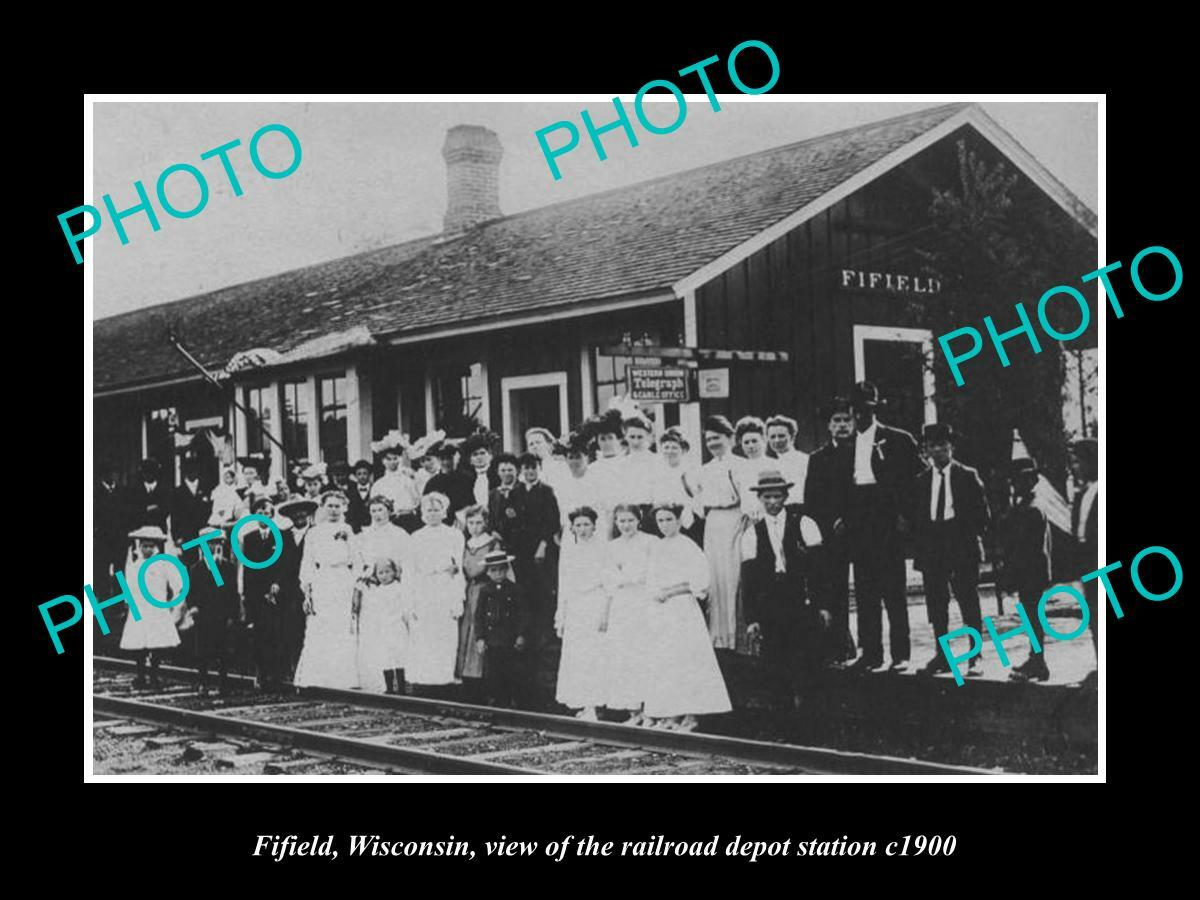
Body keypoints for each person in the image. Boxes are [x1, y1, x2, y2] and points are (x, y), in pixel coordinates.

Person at [845, 381, 924, 673]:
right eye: (856, 411)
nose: (861, 416)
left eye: (867, 410)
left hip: (888, 519)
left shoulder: (898, 439)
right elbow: (842, 487)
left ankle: (900, 654)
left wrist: (906, 515)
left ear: (875, 410)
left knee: (893, 590)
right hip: (859, 520)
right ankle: (871, 653)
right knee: (865, 592)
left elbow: (918, 480)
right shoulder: (847, 444)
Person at [741, 470, 829, 706]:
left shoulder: (804, 524)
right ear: (759, 498)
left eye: (777, 497)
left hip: (800, 598)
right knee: (775, 663)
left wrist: (823, 605)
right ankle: (783, 721)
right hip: (770, 601)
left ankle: (810, 716)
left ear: (786, 496)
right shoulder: (752, 533)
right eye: (767, 497)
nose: (772, 502)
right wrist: (751, 618)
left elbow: (819, 570)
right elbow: (748, 579)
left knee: (806, 659)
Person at [643, 504, 732, 731]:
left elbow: (699, 581)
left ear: (679, 521)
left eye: (669, 519)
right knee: (667, 660)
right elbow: (651, 579)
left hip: (682, 608)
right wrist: (656, 596)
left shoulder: (688, 546)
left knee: (687, 660)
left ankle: (692, 715)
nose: (665, 525)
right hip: (662, 610)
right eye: (661, 521)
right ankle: (671, 712)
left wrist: (671, 592)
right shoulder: (657, 547)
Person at [913, 424, 990, 677]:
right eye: (933, 445)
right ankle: (942, 655)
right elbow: (917, 518)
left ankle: (975, 655)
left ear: (951, 447)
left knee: (968, 600)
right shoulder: (922, 481)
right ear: (926, 450)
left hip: (961, 543)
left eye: (943, 445)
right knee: (937, 603)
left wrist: (964, 534)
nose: (939, 450)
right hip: (933, 547)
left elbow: (982, 515)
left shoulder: (967, 475)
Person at [804, 398, 858, 662]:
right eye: (836, 421)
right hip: (832, 535)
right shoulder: (818, 458)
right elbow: (812, 499)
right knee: (834, 590)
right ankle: (839, 645)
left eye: (846, 420)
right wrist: (831, 521)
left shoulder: (864, 452)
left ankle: (874, 649)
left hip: (863, 532)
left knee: (869, 591)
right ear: (828, 426)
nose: (842, 425)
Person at [694, 415, 752, 653]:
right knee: (714, 578)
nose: (713, 443)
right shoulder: (704, 469)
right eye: (709, 439)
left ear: (730, 438)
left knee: (733, 577)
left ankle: (736, 639)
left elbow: (747, 500)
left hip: (735, 520)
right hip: (713, 523)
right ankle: (717, 639)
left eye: (717, 438)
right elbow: (697, 503)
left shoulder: (741, 465)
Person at [293, 491, 361, 689]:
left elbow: (357, 561)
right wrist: (308, 592)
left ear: (344, 508)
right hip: (322, 581)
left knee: (342, 628)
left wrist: (356, 585)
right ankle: (319, 678)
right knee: (321, 627)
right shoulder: (314, 533)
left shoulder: (348, 530)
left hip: (343, 582)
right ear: (323, 508)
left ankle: (343, 678)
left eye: (337, 506)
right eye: (330, 506)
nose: (333, 510)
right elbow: (307, 564)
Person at [996, 458, 1053, 682]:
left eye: (1018, 481)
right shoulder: (1027, 505)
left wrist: (1010, 577)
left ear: (1029, 481)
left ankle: (1038, 661)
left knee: (1033, 617)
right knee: (1032, 616)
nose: (1014, 485)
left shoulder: (1030, 508)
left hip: (1031, 573)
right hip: (1033, 573)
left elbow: (1023, 549)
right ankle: (1036, 659)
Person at [603, 504, 659, 725]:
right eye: (621, 521)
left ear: (639, 520)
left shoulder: (650, 542)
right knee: (625, 656)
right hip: (622, 603)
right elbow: (609, 578)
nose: (625, 525)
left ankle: (650, 709)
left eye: (629, 520)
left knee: (645, 654)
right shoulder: (612, 547)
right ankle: (633, 710)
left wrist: (633, 577)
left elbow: (653, 572)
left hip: (644, 600)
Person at [404, 492, 466, 690]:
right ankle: (423, 680)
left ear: (444, 511)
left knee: (444, 634)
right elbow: (409, 571)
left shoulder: (454, 535)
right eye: (428, 510)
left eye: (436, 510)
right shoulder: (416, 537)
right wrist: (409, 601)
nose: (432, 514)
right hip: (423, 589)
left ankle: (444, 679)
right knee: (423, 635)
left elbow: (459, 568)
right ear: (423, 513)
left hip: (445, 587)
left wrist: (458, 598)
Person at [555, 507, 611, 720]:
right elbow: (565, 585)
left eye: (586, 524)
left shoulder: (603, 549)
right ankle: (585, 704)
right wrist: (562, 615)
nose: (582, 529)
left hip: (595, 603)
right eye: (578, 525)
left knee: (595, 654)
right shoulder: (570, 551)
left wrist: (605, 613)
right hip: (576, 606)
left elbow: (609, 583)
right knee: (578, 655)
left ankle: (595, 705)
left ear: (594, 526)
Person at [119, 525, 183, 687]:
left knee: (157, 644)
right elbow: (129, 585)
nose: (147, 549)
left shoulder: (163, 564)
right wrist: (129, 604)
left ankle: (154, 676)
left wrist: (174, 603)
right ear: (139, 547)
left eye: (150, 546)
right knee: (138, 644)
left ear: (156, 547)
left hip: (157, 608)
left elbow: (177, 584)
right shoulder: (135, 565)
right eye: (144, 546)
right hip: (140, 609)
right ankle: (140, 675)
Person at [511, 453, 561, 644]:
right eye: (526, 468)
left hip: (541, 549)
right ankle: (526, 634)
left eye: (534, 467)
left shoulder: (547, 491)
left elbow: (552, 521)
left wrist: (542, 545)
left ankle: (544, 635)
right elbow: (512, 520)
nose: (530, 471)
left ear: (540, 469)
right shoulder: (516, 492)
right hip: (521, 550)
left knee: (542, 590)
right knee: (524, 591)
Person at [474, 550, 530, 708]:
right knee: (492, 672)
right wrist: (480, 638)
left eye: (501, 569)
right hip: (491, 639)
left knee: (511, 670)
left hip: (509, 638)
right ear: (488, 572)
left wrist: (521, 635)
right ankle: (494, 700)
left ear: (506, 570)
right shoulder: (485, 590)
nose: (498, 573)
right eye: (493, 570)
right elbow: (479, 616)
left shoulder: (515, 589)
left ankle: (511, 700)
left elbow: (523, 614)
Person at [459, 505, 504, 697]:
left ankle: (485, 682)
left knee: (481, 630)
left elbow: (496, 570)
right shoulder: (465, 543)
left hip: (485, 590)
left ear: (485, 523)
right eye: (471, 523)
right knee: (467, 631)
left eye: (478, 522)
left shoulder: (492, 543)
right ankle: (467, 679)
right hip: (468, 590)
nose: (475, 527)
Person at [188, 528, 239, 696]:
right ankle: (203, 682)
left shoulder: (228, 567)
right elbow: (191, 592)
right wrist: (193, 607)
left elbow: (233, 593)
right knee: (202, 650)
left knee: (223, 651)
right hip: (203, 615)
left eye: (216, 543)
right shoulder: (196, 568)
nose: (213, 547)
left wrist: (233, 614)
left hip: (221, 615)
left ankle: (224, 683)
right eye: (209, 543)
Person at [271, 498, 315, 682]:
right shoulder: (283, 536)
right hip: (289, 588)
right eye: (295, 514)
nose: (299, 516)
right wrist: (276, 582)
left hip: (311, 585)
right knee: (290, 629)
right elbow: (277, 562)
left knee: (310, 628)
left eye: (302, 512)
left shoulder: (315, 533)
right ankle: (292, 668)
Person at [354, 557, 413, 694]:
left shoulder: (398, 588)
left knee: (399, 656)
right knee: (385, 657)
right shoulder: (377, 591)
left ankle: (401, 686)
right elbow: (374, 609)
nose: (384, 576)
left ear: (394, 572)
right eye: (381, 573)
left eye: (387, 572)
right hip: (383, 628)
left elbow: (405, 605)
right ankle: (390, 687)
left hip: (397, 626)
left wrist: (405, 620)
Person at [1068, 438, 1099, 660]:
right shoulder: (1081, 494)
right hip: (1087, 561)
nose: (1074, 466)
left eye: (1078, 461)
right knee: (1094, 614)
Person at [554, 434, 609, 541]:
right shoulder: (562, 482)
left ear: (586, 457)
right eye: (571, 458)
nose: (574, 462)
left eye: (578, 457)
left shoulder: (598, 479)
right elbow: (562, 510)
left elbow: (604, 510)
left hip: (596, 531)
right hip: (571, 532)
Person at [651, 427, 699, 542]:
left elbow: (696, 498)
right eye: (666, 447)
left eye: (674, 447)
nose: (670, 451)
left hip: (686, 520)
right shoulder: (657, 472)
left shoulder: (690, 471)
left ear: (683, 450)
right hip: (663, 521)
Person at [371, 434, 423, 533]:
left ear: (399, 459)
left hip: (408, 522)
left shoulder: (408, 480)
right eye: (389, 459)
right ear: (383, 461)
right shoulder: (378, 485)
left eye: (395, 458)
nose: (392, 462)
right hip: (387, 522)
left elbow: (416, 501)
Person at [615, 413, 658, 529]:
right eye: (632, 437)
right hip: (627, 515)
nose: (635, 442)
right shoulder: (621, 464)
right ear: (625, 437)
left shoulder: (657, 461)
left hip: (651, 514)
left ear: (649, 437)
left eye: (640, 437)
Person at [765, 415, 810, 507]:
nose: (777, 440)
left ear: (792, 437)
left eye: (781, 436)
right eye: (772, 437)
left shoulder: (805, 461)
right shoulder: (769, 465)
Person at [424, 443, 473, 523]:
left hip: (462, 523)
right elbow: (425, 507)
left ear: (456, 459)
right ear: (439, 460)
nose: (446, 462)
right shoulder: (432, 483)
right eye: (443, 459)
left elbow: (471, 504)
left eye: (449, 458)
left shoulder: (465, 479)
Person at [171, 462, 210, 551]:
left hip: (204, 533)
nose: (192, 473)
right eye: (188, 470)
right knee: (188, 561)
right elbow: (175, 516)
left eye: (194, 470)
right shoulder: (177, 492)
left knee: (206, 561)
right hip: (186, 535)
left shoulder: (206, 489)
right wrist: (177, 536)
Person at [487, 452, 523, 548]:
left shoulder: (525, 490)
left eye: (510, 470)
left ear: (517, 471)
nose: (506, 473)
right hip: (499, 543)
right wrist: (492, 531)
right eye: (503, 470)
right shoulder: (493, 494)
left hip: (521, 543)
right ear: (498, 472)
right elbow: (490, 518)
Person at [128, 458, 171, 531]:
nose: (148, 475)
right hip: (140, 528)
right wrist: (145, 509)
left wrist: (157, 509)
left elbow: (167, 508)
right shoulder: (135, 490)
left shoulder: (164, 489)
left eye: (151, 471)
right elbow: (132, 509)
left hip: (159, 528)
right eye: (145, 472)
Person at [462, 434, 500, 510]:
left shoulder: (497, 476)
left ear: (490, 455)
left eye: (482, 453)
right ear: (470, 460)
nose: (479, 457)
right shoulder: (467, 480)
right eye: (475, 454)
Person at [526, 427, 570, 493]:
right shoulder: (525, 473)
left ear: (549, 444)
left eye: (538, 442)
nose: (534, 446)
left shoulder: (561, 466)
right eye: (531, 444)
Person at [736, 417, 775, 486]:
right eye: (746, 442)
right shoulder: (738, 469)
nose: (750, 446)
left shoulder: (774, 465)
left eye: (754, 441)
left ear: (764, 440)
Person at [344, 459, 375, 532]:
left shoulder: (375, 489)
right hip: (354, 529)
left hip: (372, 528)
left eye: (365, 473)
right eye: (359, 474)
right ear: (355, 475)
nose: (362, 476)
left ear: (370, 475)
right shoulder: (349, 491)